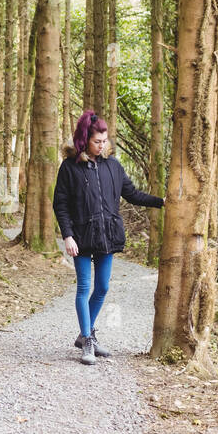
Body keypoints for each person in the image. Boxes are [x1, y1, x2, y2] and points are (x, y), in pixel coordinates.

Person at [51, 110, 165, 365]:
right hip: (80, 236)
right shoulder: (70, 167)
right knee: (84, 287)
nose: (102, 146)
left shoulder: (113, 166)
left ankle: (85, 335)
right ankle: (87, 339)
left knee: (102, 287)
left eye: (105, 141)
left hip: (107, 236)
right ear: (84, 140)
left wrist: (162, 202)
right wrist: (67, 236)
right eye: (97, 141)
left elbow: (132, 194)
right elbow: (60, 204)